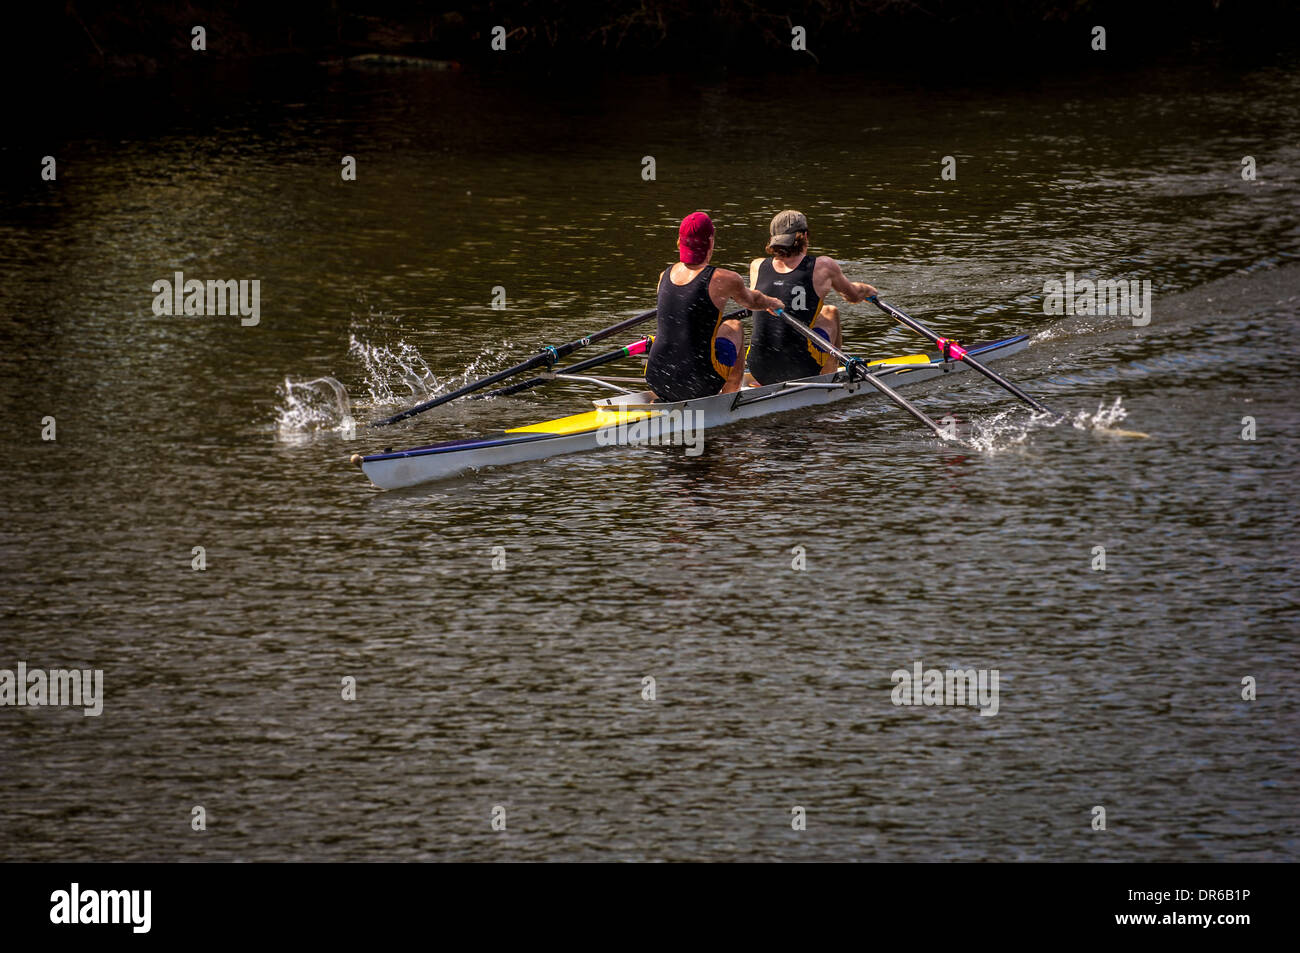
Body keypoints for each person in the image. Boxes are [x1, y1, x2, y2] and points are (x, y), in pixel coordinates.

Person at [644, 212, 783, 402]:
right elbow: (753, 301)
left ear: (679, 242)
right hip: (698, 382)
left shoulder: (664, 275)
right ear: (710, 241)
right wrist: (772, 303)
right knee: (734, 327)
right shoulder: (724, 279)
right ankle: (730, 398)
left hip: (656, 378)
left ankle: (672, 391)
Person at [746, 210, 880, 385]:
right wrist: (868, 290)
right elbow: (852, 296)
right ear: (805, 236)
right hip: (801, 368)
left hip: (758, 367)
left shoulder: (756, 265)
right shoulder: (823, 266)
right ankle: (828, 381)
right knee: (830, 312)